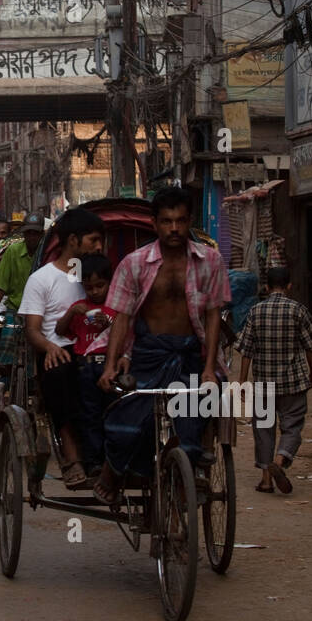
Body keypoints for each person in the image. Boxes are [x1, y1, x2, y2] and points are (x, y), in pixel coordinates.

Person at [95, 185, 231, 506]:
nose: (174, 228)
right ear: (155, 223)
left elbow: (214, 318)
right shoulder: (135, 263)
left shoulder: (209, 261)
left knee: (193, 426)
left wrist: (210, 368)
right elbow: (123, 318)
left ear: (190, 222)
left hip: (191, 357)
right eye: (167, 221)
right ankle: (114, 470)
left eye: (181, 221)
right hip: (147, 355)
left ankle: (190, 472)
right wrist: (112, 363)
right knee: (124, 423)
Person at [18, 208, 106, 488]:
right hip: (59, 350)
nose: (99, 246)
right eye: (93, 240)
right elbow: (32, 329)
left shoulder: (97, 277)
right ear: (73, 240)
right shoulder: (41, 279)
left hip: (96, 350)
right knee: (61, 373)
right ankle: (72, 458)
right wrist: (49, 348)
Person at [235, 264, 312, 494]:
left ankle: (266, 480)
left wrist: (243, 381)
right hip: (293, 383)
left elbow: (246, 351)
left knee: (263, 428)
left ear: (266, 287)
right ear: (289, 286)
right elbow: (311, 346)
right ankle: (281, 460)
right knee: (292, 426)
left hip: (264, 384)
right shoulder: (298, 310)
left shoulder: (255, 311)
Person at [60, 253, 116, 475]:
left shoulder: (116, 307)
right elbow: (60, 331)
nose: (95, 291)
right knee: (89, 414)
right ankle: (93, 461)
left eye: (100, 286)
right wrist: (71, 312)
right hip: (85, 367)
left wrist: (109, 322)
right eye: (89, 287)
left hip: (110, 365)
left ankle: (113, 461)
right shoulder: (80, 307)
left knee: (113, 412)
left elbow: (126, 333)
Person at [0, 213, 43, 370]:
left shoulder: (45, 253)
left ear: (41, 234)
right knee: (6, 339)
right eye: (29, 233)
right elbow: (2, 282)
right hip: (15, 307)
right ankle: (4, 374)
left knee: (38, 349)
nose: (32, 237)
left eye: (36, 233)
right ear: (24, 234)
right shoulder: (12, 251)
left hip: (39, 310)